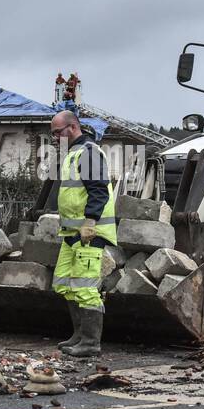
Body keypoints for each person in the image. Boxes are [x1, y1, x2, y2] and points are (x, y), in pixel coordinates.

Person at [49, 109, 116, 357]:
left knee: (86, 287)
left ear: (73, 127)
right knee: (65, 283)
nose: (55, 138)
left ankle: (90, 342)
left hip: (90, 232)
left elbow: (99, 190)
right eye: (53, 134)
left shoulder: (87, 152)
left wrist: (90, 221)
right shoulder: (73, 154)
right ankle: (79, 336)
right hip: (72, 233)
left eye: (57, 132)